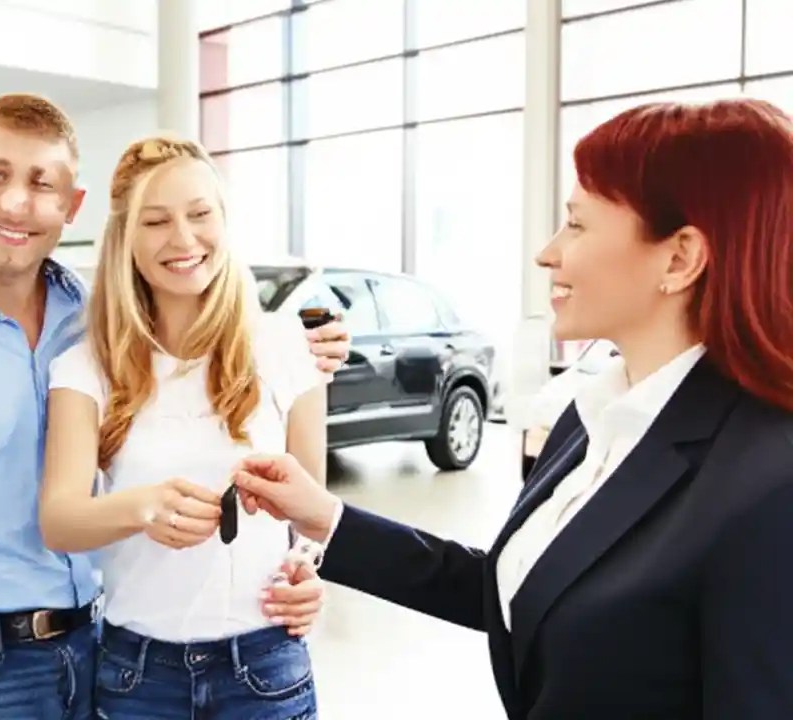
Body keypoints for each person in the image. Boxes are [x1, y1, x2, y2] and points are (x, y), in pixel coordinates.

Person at [229, 97, 793, 720]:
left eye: (577, 225)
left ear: (680, 258)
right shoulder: (595, 414)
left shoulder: (769, 485)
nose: (548, 253)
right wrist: (326, 517)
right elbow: (520, 586)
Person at [0, 94, 349, 720]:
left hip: (98, 646)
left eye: (43, 184)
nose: (19, 202)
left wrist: (305, 570)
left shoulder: (86, 319)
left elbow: (310, 516)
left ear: (72, 207)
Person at [38, 134, 327, 719]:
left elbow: (313, 516)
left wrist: (308, 574)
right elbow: (59, 521)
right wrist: (143, 507)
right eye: (156, 221)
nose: (184, 239)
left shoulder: (288, 349)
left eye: (200, 215)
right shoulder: (85, 366)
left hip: (266, 666)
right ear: (126, 239)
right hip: (137, 678)